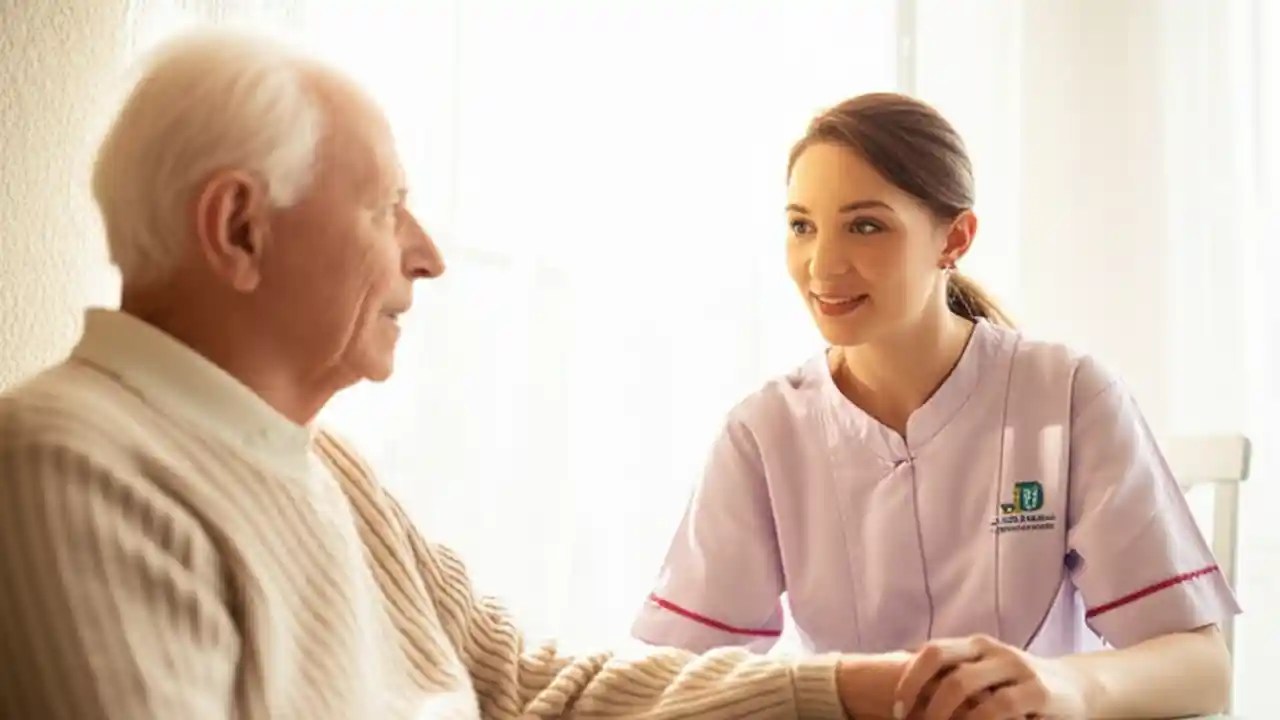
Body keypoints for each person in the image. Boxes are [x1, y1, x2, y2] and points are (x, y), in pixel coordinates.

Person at [0, 30, 934, 720]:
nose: (429, 255)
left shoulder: (328, 468)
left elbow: (533, 688)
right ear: (239, 229)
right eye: (388, 209)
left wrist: (870, 686)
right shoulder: (64, 469)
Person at [631, 93, 1239, 719]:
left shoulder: (1068, 397)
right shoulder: (762, 433)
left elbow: (1202, 670)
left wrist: (1065, 687)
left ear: (955, 237)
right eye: (801, 225)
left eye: (865, 225)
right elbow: (674, 677)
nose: (823, 264)